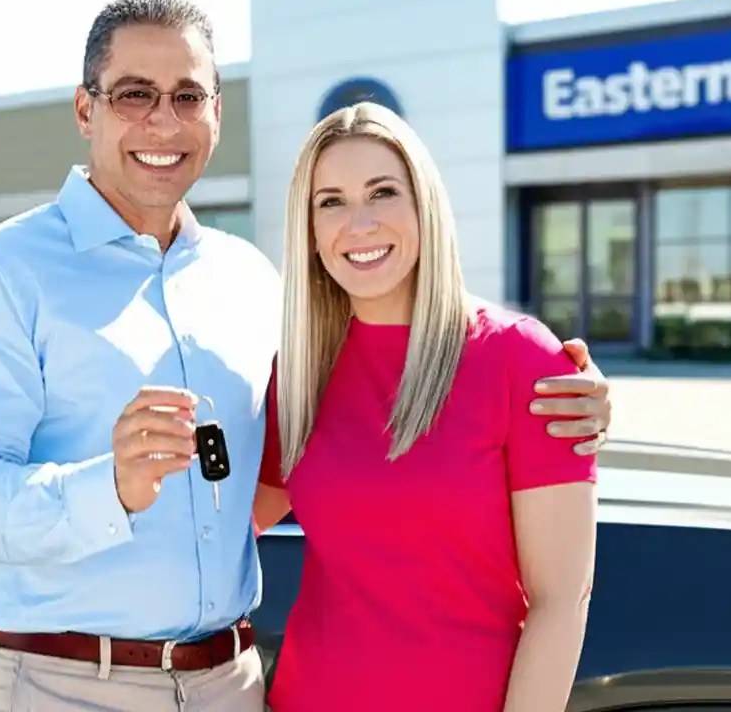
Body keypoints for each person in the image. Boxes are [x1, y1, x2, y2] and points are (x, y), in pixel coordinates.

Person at [0, 0, 610, 711]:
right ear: (84, 108)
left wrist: (570, 398)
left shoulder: (249, 283)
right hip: (69, 687)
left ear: (217, 111)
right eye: (135, 94)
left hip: (233, 685)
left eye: (188, 95)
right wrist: (108, 488)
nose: (164, 120)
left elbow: (260, 489)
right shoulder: (1, 273)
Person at [251, 101, 599, 712]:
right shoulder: (300, 374)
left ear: (424, 203)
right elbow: (222, 528)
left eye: (381, 192)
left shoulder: (521, 358)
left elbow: (561, 600)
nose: (358, 223)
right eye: (329, 201)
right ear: (307, 230)